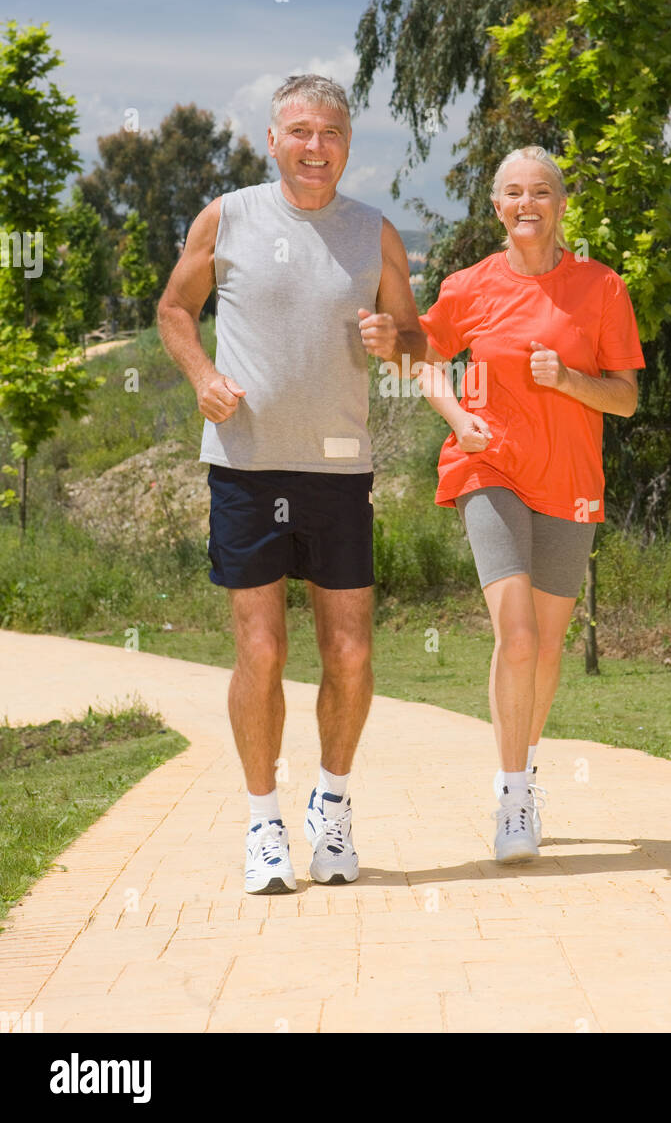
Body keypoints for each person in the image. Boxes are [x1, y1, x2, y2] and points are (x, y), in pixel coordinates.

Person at [157, 75, 426, 893]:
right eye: (301, 132)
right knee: (263, 652)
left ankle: (333, 807)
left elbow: (418, 341)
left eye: (332, 133)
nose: (317, 147)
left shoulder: (374, 233)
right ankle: (263, 821)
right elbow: (175, 309)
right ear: (272, 141)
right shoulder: (228, 217)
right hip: (246, 465)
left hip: (341, 471)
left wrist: (396, 341)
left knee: (350, 653)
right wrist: (201, 373)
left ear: (348, 144)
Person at [415, 146, 645, 863]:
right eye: (512, 192)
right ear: (495, 206)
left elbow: (627, 397)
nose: (526, 204)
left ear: (561, 203)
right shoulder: (468, 286)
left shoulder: (601, 288)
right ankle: (513, 794)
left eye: (540, 191)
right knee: (515, 635)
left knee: (547, 646)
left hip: (571, 480)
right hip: (489, 466)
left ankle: (528, 761)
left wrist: (570, 379)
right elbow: (422, 360)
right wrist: (457, 417)